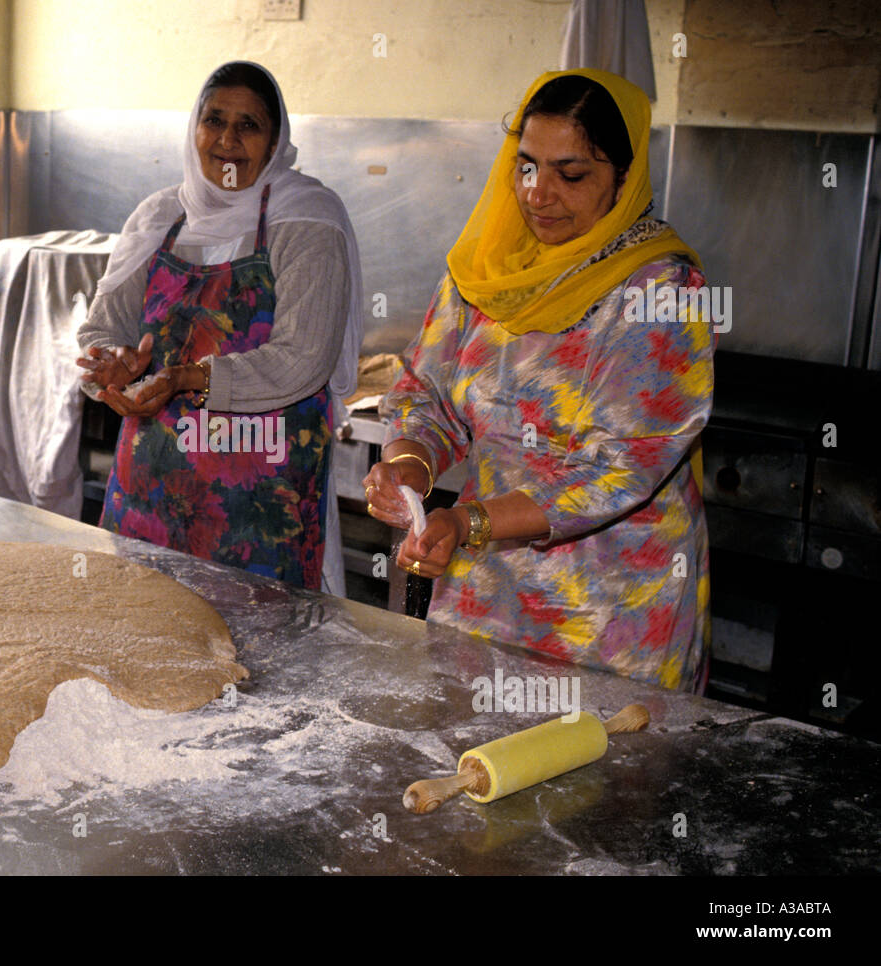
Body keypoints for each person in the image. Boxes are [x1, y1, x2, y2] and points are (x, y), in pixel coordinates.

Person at [365, 69, 714, 691]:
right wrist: (410, 465)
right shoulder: (490, 271)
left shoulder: (660, 291)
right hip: (490, 584)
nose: (538, 193)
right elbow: (428, 394)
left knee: (598, 774)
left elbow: (617, 467)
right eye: (526, 166)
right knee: (466, 755)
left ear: (626, 178)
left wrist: (470, 521)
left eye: (571, 174)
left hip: (611, 605)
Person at [78, 61, 362, 592]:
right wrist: (110, 365)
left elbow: (303, 357)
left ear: (275, 140)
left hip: (259, 509)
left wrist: (183, 378)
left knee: (260, 661)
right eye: (214, 120)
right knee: (143, 640)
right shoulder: (159, 216)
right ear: (194, 129)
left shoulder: (306, 219)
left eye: (249, 125)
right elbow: (101, 329)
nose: (228, 140)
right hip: (148, 497)